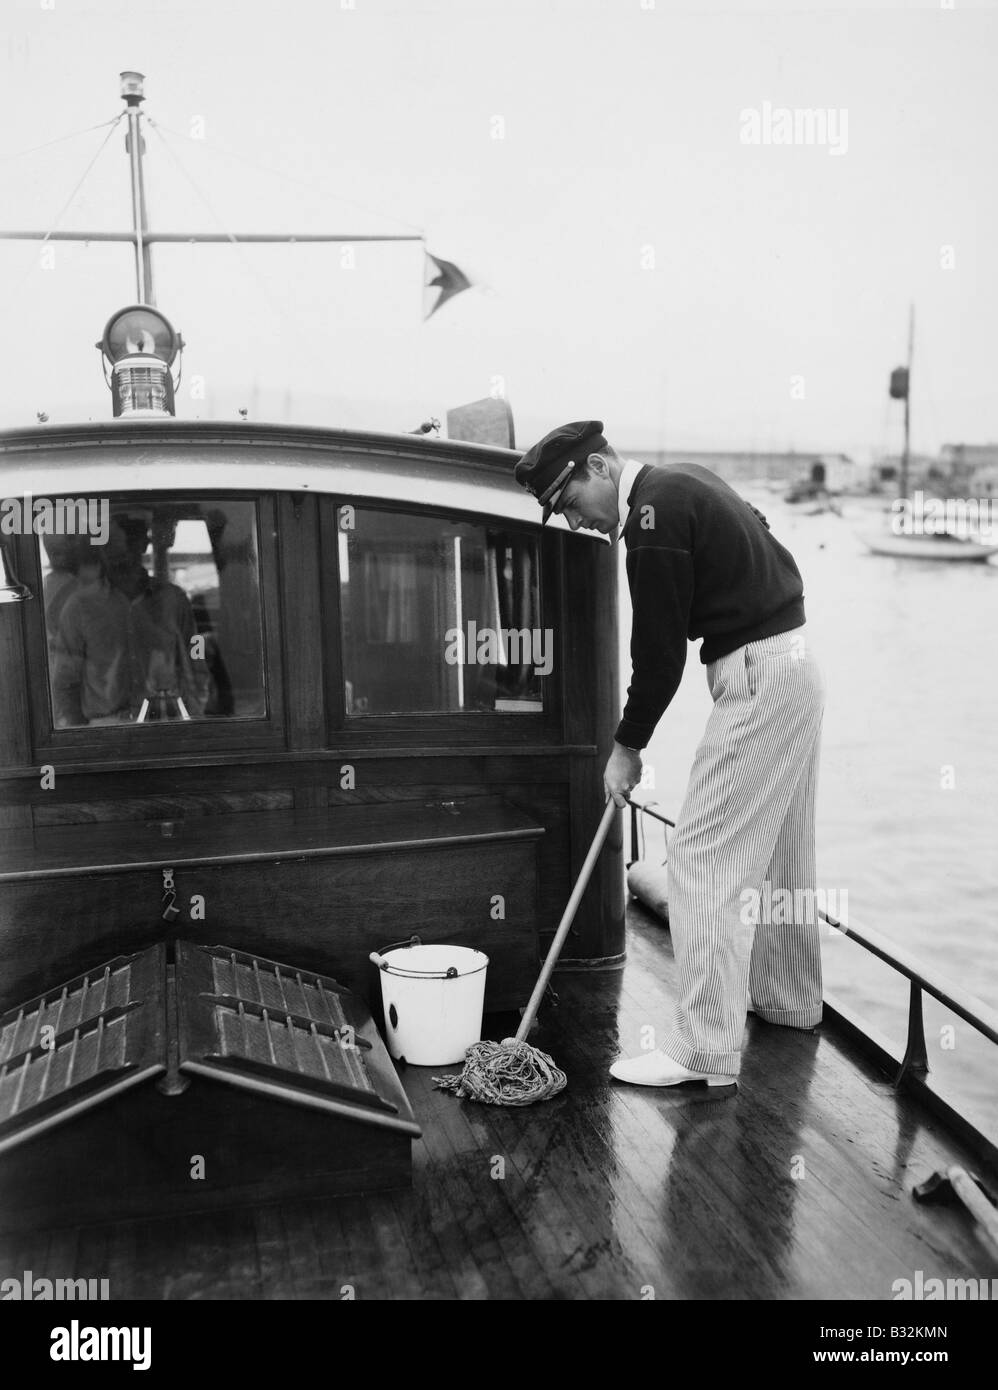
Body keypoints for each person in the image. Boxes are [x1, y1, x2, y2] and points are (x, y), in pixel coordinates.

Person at [514, 420, 825, 1091]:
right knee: (782, 850)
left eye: (570, 504)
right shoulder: (683, 481)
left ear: (598, 467)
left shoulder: (648, 523)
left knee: (701, 858)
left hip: (758, 676)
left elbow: (658, 657)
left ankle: (705, 1052)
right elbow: (758, 525)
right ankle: (787, 1000)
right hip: (796, 661)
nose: (575, 523)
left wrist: (625, 750)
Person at [50, 516, 209, 726]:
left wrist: (195, 725)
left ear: (142, 544)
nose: (116, 551)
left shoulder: (174, 600)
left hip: (166, 724)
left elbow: (196, 659)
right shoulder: (78, 607)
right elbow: (65, 682)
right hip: (105, 730)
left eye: (126, 541)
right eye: (109, 543)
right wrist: (81, 740)